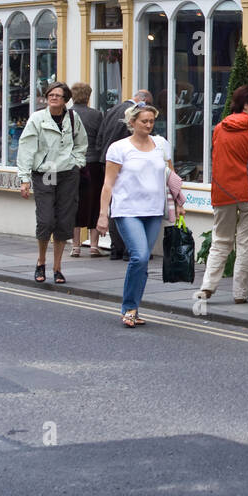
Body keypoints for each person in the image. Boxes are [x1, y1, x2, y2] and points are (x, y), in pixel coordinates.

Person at [95, 102, 181, 327]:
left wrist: (179, 202)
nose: (149, 125)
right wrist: (103, 215)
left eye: (152, 121)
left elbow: (171, 175)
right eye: (144, 121)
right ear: (132, 122)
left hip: (153, 211)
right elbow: (108, 184)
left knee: (142, 262)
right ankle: (129, 307)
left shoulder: (161, 144)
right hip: (127, 210)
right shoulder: (119, 148)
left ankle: (134, 306)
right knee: (140, 256)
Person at [194, 85, 248, 310]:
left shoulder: (219, 128)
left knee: (220, 240)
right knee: (247, 244)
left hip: (222, 191)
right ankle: (240, 293)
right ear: (246, 104)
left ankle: (207, 286)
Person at [16, 81, 88, 285]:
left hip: (67, 174)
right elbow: (26, 148)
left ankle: (57, 267)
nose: (53, 97)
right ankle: (41, 261)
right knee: (46, 220)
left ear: (66, 99)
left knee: (64, 222)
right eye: (51, 95)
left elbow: (82, 143)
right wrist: (24, 179)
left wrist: (77, 163)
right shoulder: (38, 119)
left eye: (58, 95)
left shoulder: (73, 118)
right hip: (46, 173)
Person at [98, 89, 152, 260]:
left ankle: (116, 249)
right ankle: (130, 249)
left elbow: (100, 137)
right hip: (127, 163)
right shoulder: (134, 115)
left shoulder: (112, 110)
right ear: (141, 101)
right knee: (131, 205)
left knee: (116, 203)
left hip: (107, 161)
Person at [69, 82, 105, 257]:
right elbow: (101, 138)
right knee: (95, 203)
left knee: (75, 203)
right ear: (88, 96)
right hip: (94, 164)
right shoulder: (96, 115)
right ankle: (94, 245)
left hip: (73, 164)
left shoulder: (67, 114)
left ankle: (75, 246)